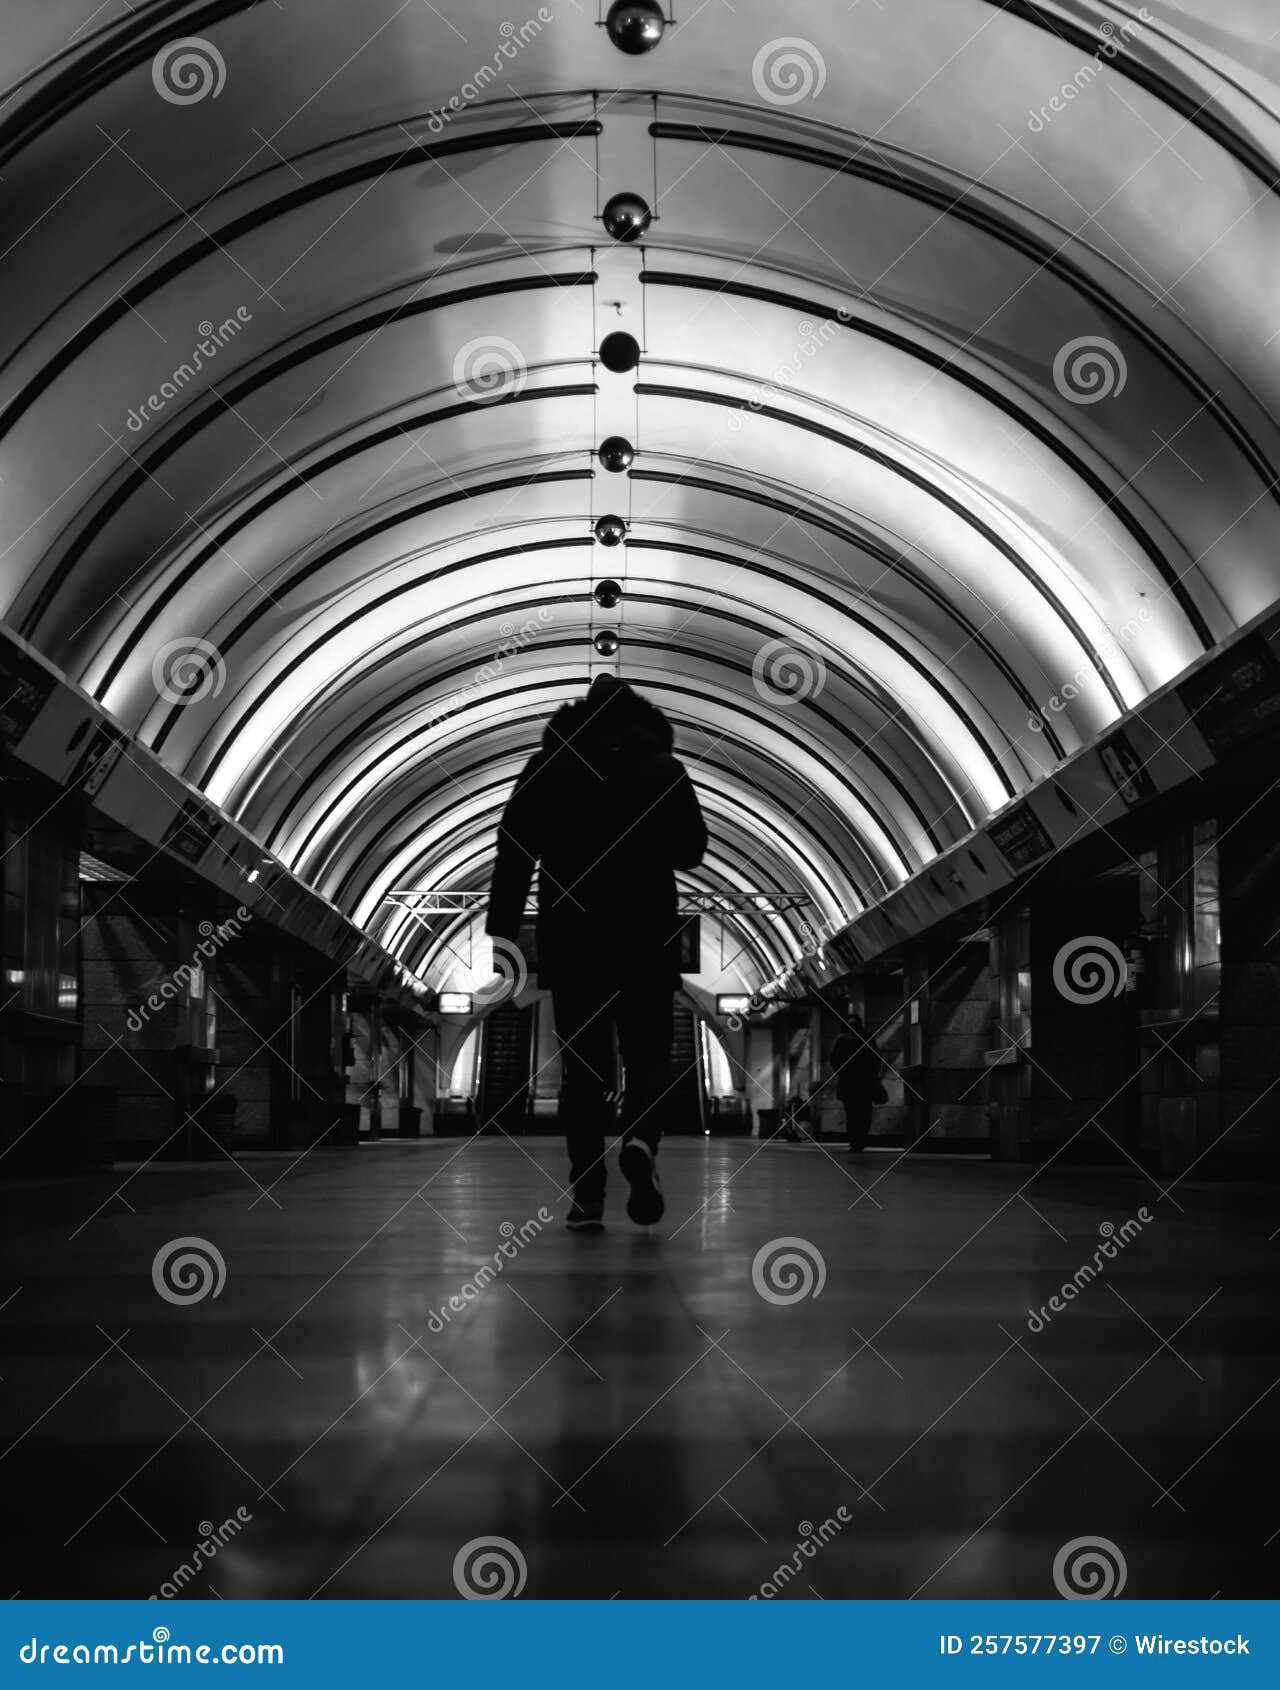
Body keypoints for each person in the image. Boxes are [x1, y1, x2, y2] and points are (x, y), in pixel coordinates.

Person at [485, 673, 708, 1230]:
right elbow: (692, 850)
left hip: (574, 939)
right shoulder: (662, 770)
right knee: (649, 1057)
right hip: (645, 936)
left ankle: (587, 1195)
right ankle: (640, 1140)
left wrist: (504, 932)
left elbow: (513, 851)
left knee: (584, 1073)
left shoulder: (547, 768)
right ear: (641, 719)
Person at [829, 1007, 884, 1153]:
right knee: (865, 1113)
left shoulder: (841, 1041)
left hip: (848, 1084)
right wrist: (872, 1074)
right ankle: (861, 1139)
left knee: (851, 1114)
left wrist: (843, 1073)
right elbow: (876, 1060)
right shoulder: (867, 1039)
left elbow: (834, 1060)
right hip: (865, 1083)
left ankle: (854, 1141)